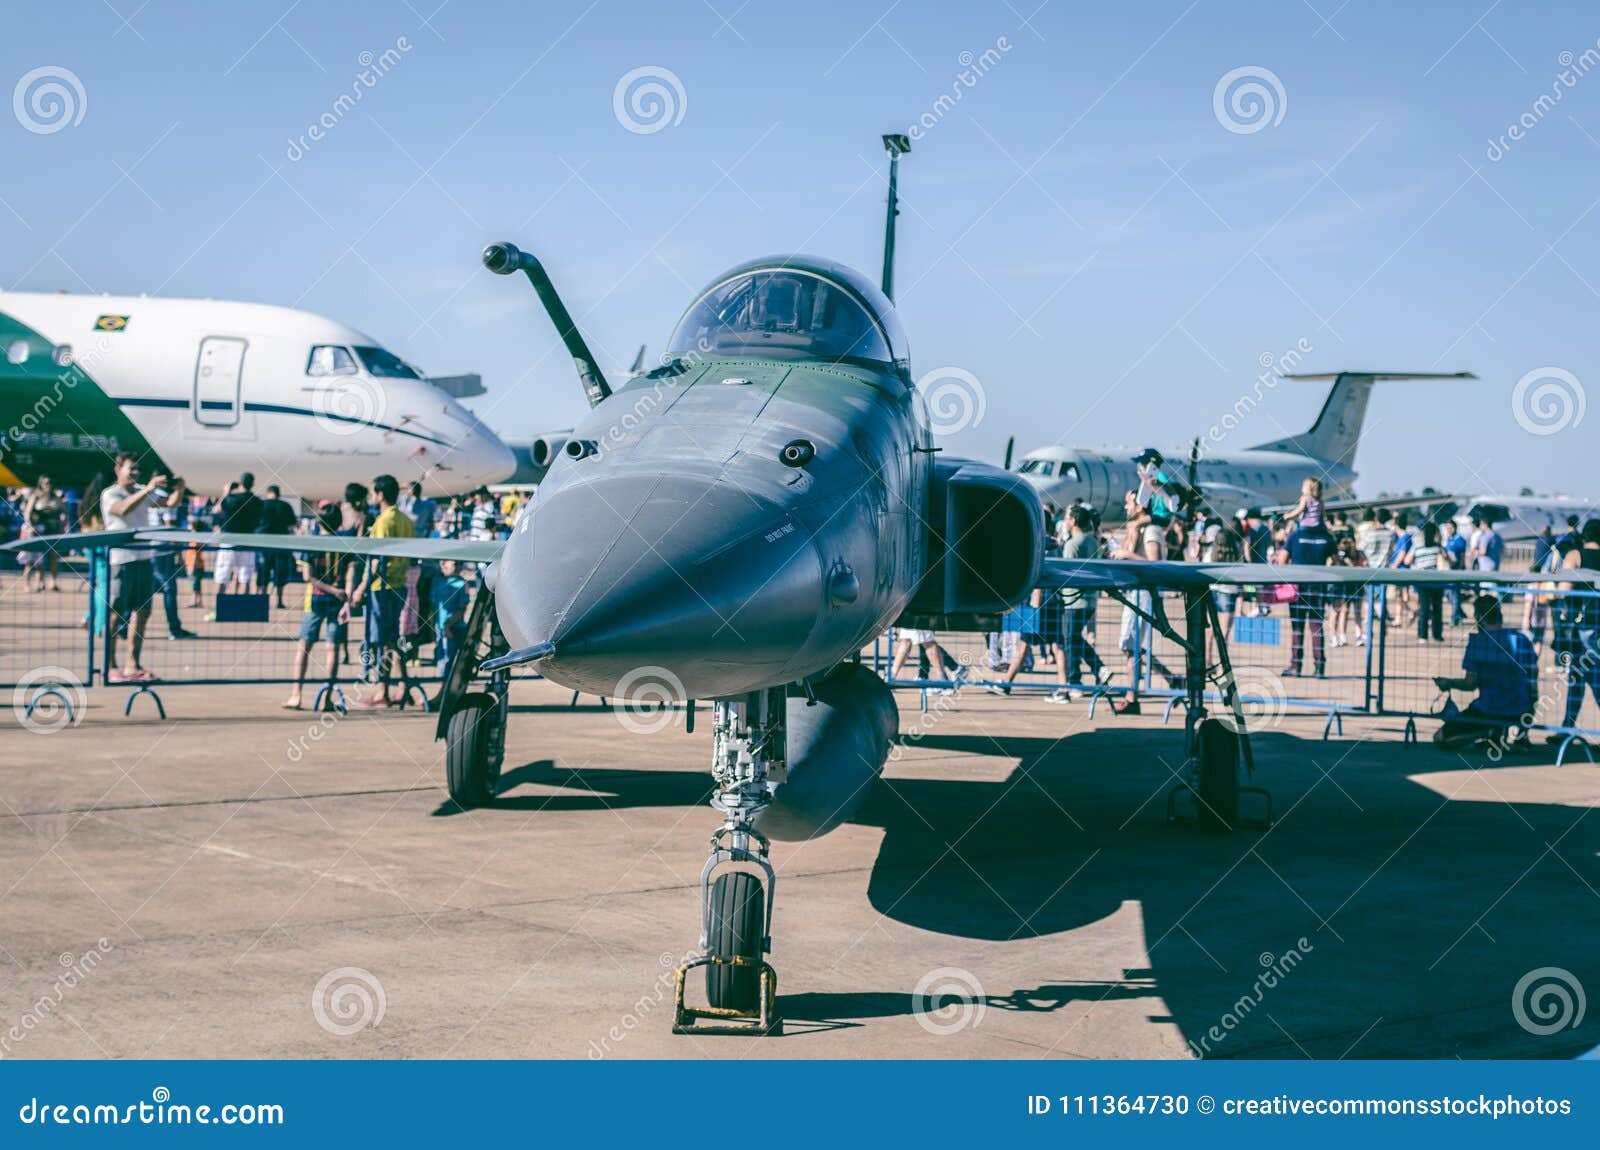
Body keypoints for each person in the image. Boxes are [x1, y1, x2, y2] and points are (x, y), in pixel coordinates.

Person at [100, 453, 175, 683]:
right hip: (121, 559)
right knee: (115, 613)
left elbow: (169, 503)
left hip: (143, 557)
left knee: (142, 611)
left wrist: (180, 489)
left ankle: (133, 664)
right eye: (131, 469)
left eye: (137, 469)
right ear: (118, 470)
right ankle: (109, 666)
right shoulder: (110, 494)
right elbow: (122, 510)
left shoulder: (142, 491)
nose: (135, 473)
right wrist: (148, 489)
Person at [1432, 594, 1536, 749]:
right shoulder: (1521, 639)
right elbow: (1533, 675)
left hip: (1488, 709)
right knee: (1526, 694)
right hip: (1520, 708)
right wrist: (1531, 702)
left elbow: (1470, 684)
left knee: (1440, 738)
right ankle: (1519, 735)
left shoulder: (1477, 643)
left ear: (1479, 616)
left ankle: (1486, 732)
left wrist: (1449, 683)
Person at [283, 502, 358, 710]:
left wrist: (331, 590)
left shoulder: (312, 543)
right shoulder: (345, 543)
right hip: (337, 602)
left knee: (304, 646)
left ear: (319, 522)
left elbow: (308, 577)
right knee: (332, 648)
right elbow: (351, 573)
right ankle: (327, 697)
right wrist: (345, 598)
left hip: (315, 601)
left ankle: (296, 694)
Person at [354, 474, 416, 707]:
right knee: (392, 639)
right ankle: (403, 685)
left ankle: (383, 691)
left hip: (382, 587)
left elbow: (378, 560)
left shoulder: (383, 522)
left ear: (380, 495)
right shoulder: (405, 520)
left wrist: (361, 587)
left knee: (381, 641)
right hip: (400, 584)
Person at [1554, 519, 1600, 738]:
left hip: (1583, 627)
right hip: (1595, 625)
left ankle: (1567, 728)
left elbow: (1564, 590)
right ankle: (1566, 727)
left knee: (1584, 678)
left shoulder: (1575, 556)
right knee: (1582, 678)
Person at [1058, 506, 1106, 694]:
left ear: (1074, 521)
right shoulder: (1092, 541)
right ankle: (1100, 670)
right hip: (1090, 598)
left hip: (1073, 599)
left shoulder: (1072, 545)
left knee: (1070, 640)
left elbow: (1066, 573)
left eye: (1067, 518)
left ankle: (1075, 681)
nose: (1065, 521)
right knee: (1075, 637)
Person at [1283, 523, 1335, 677]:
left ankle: (1296, 666)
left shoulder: (1295, 536)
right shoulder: (1327, 537)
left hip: (1298, 587)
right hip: (1318, 587)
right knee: (1316, 627)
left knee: (1297, 627)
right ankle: (1319, 667)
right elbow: (1336, 561)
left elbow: (1282, 559)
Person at [212, 472, 263, 605]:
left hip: (228, 541)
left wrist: (226, 492)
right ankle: (243, 608)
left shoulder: (231, 498)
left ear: (240, 483)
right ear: (252, 484)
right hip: (247, 541)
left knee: (222, 576)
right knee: (245, 577)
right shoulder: (256, 501)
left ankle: (219, 608)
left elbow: (217, 509)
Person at [20, 476, 67, 591]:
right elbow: (27, 513)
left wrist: (63, 525)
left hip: (53, 530)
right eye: (46, 483)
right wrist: (31, 527)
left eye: (50, 483)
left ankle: (53, 582)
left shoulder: (55, 497)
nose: (48, 485)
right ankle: (33, 584)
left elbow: (64, 512)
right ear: (41, 484)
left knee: (53, 556)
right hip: (38, 531)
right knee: (34, 560)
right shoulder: (35, 497)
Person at [258, 484, 299, 608]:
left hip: (263, 543)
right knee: (280, 575)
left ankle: (262, 601)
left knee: (263, 573)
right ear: (278, 494)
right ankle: (279, 601)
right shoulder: (285, 506)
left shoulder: (261, 504)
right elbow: (292, 525)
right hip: (281, 544)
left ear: (268, 493)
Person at [1405, 521, 1444, 643]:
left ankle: (1422, 635)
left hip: (1422, 580)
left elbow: (1407, 561)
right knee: (1437, 608)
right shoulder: (1438, 547)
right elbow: (1444, 561)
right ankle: (1437, 635)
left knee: (1424, 608)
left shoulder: (1417, 546)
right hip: (1437, 581)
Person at [432, 559, 472, 675]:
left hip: (454, 628)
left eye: (447, 562)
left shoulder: (462, 583)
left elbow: (462, 608)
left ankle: (446, 684)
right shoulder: (437, 581)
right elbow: (432, 605)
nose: (442, 564)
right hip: (440, 628)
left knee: (449, 662)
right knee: (442, 659)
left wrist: (448, 626)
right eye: (441, 561)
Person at [1440, 518, 1468, 625]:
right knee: (1448, 593)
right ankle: (1459, 611)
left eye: (1450, 527)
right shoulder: (1449, 539)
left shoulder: (1459, 540)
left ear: (1455, 528)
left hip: (1456, 571)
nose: (1448, 530)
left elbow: (1462, 556)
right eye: (1447, 528)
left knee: (1454, 594)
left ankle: (1455, 617)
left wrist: (1459, 571)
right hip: (1449, 571)